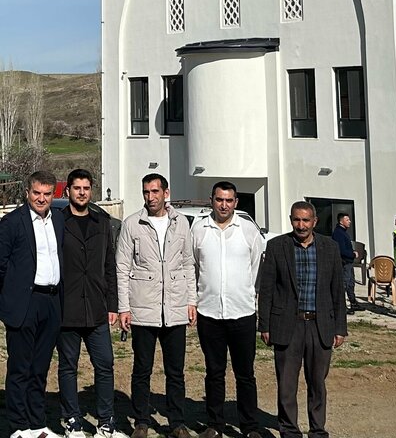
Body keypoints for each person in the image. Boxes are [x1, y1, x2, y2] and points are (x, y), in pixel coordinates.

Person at [116, 173, 196, 438]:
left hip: (174, 309)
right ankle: (141, 421)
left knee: (175, 372)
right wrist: (124, 307)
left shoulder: (181, 223)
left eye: (155, 192)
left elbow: (188, 265)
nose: (150, 197)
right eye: (146, 192)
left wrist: (191, 301)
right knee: (142, 369)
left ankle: (177, 422)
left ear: (166, 193)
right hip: (143, 309)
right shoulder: (132, 224)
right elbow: (122, 267)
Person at [258, 201, 347, 438]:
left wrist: (340, 328)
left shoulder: (330, 247)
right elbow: (266, 289)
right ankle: (289, 431)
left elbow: (337, 290)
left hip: (320, 326)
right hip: (288, 325)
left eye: (306, 220)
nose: (301, 225)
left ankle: (317, 430)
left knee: (317, 383)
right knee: (287, 386)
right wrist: (264, 325)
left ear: (314, 222)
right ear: (291, 220)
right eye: (297, 220)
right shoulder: (277, 246)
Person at [191, 182, 265, 438]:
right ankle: (215, 425)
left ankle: (250, 426)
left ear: (236, 202)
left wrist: (244, 294)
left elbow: (255, 268)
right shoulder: (199, 229)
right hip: (209, 314)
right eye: (219, 199)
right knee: (214, 373)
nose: (224, 205)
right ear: (211, 200)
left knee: (245, 374)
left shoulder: (248, 230)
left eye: (229, 200)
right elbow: (194, 267)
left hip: (242, 313)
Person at [58, 168, 126, 438]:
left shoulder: (102, 222)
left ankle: (106, 421)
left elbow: (109, 265)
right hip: (67, 307)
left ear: (91, 191)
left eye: (86, 188)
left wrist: (113, 304)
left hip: (97, 307)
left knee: (105, 364)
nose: (82, 192)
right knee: (67, 366)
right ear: (68, 191)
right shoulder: (57, 222)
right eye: (77, 188)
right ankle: (72, 420)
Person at [0, 169, 65, 438]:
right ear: (27, 193)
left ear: (53, 194)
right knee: (20, 368)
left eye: (47, 194)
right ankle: (18, 426)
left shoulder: (58, 220)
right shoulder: (12, 223)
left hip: (51, 302)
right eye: (36, 193)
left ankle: (37, 423)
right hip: (24, 302)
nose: (41, 198)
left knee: (40, 368)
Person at [331, 212, 361, 313]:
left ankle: (353, 302)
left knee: (350, 283)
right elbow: (341, 250)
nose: (349, 222)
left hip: (349, 262)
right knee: (344, 283)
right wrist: (353, 254)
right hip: (344, 262)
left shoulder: (344, 232)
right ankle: (341, 306)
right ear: (341, 221)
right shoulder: (338, 233)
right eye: (347, 220)